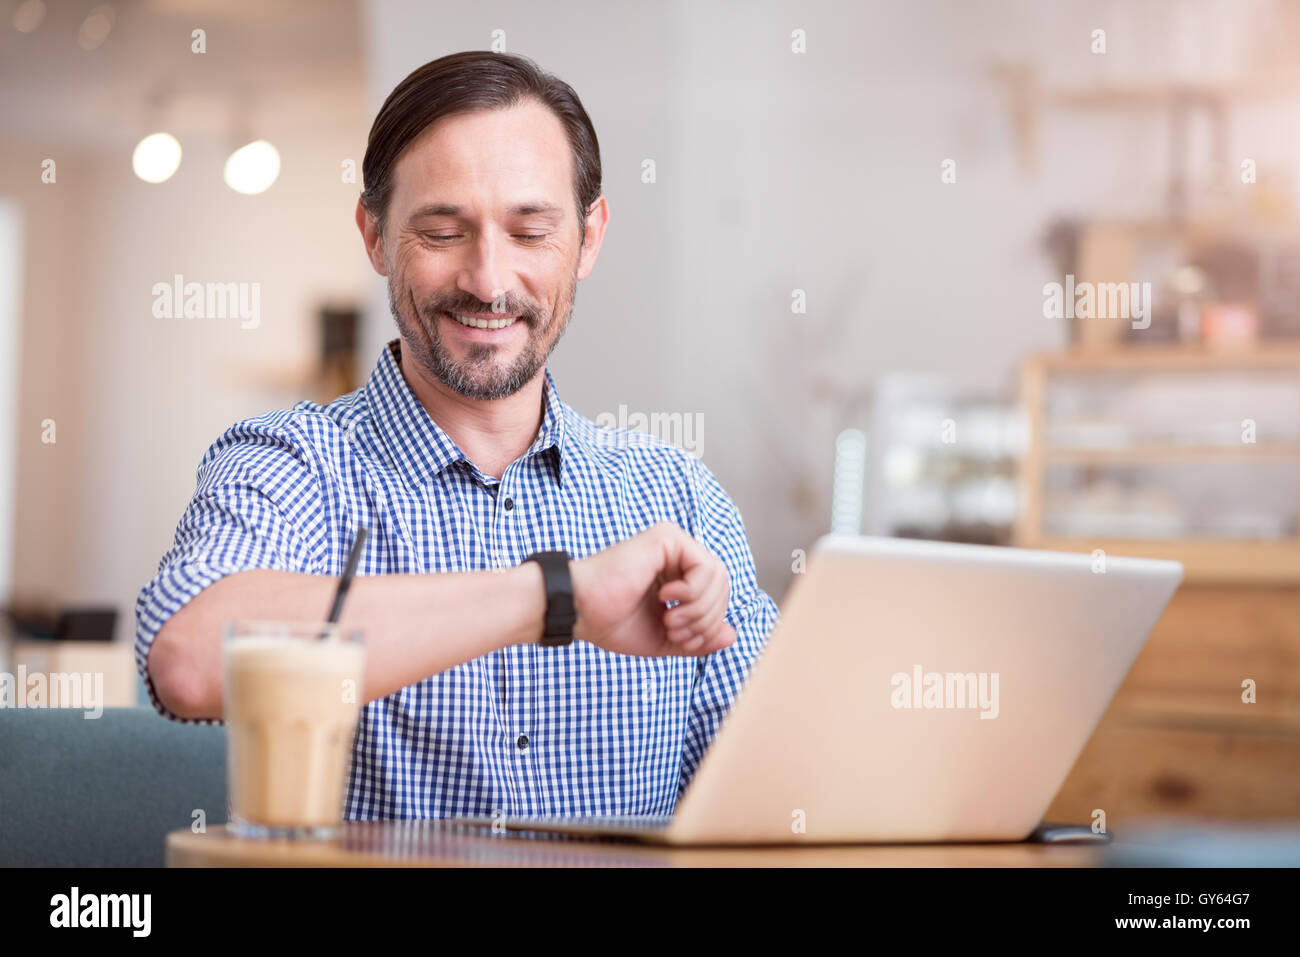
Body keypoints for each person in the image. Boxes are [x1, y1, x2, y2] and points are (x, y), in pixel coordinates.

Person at [136, 51, 779, 820]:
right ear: (374, 236)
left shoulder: (681, 501)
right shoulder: (292, 465)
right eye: (443, 231)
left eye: (531, 230)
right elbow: (190, 662)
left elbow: (775, 797)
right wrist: (556, 595)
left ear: (590, 237)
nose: (489, 279)